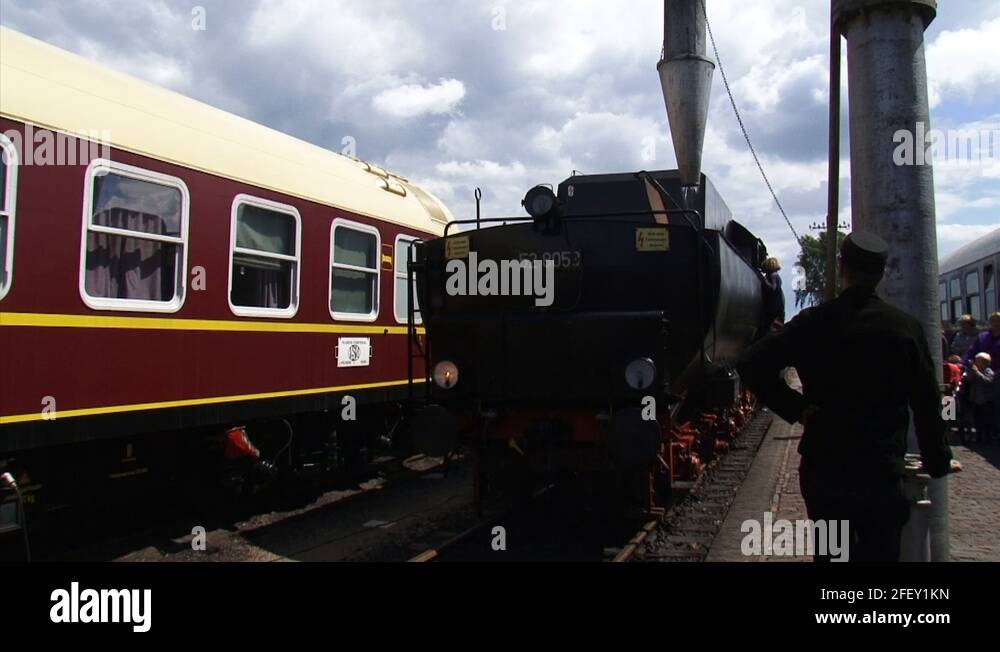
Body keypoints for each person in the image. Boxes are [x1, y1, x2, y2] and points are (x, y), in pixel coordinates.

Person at [737, 231, 959, 563]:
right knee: (881, 555)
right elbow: (927, 401)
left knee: (833, 556)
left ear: (842, 268)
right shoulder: (905, 328)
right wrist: (938, 458)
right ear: (882, 273)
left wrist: (796, 408)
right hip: (882, 470)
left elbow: (751, 364)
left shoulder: (813, 323)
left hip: (826, 469)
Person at [964, 352, 995, 443]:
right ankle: (978, 437)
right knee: (977, 420)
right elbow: (969, 379)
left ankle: (987, 437)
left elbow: (988, 381)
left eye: (979, 361)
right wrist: (972, 371)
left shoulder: (989, 371)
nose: (977, 363)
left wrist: (977, 372)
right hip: (976, 399)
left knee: (986, 420)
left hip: (986, 400)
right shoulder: (974, 370)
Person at [761, 257, 785, 330]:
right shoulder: (776, 275)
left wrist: (764, 279)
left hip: (773, 308)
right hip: (778, 307)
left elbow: (773, 288)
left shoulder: (773, 275)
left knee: (769, 328)